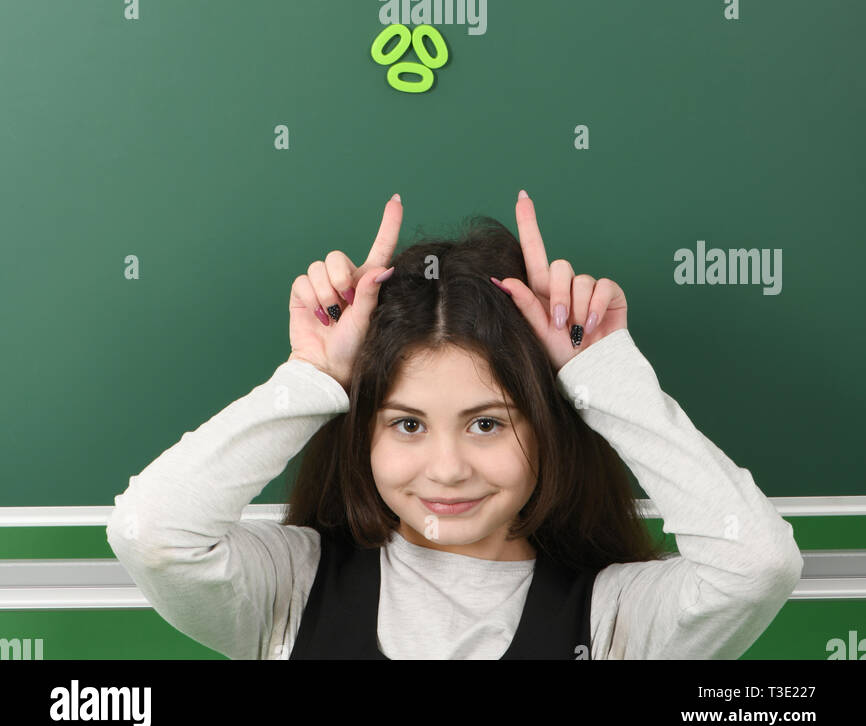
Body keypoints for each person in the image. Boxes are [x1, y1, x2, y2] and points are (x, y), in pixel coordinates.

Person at [106, 190, 802, 660]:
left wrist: (604, 375)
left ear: (548, 427)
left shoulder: (614, 617)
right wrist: (312, 374)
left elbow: (759, 565)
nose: (446, 469)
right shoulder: (290, 589)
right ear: (363, 433)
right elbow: (152, 533)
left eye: (487, 425)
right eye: (407, 425)